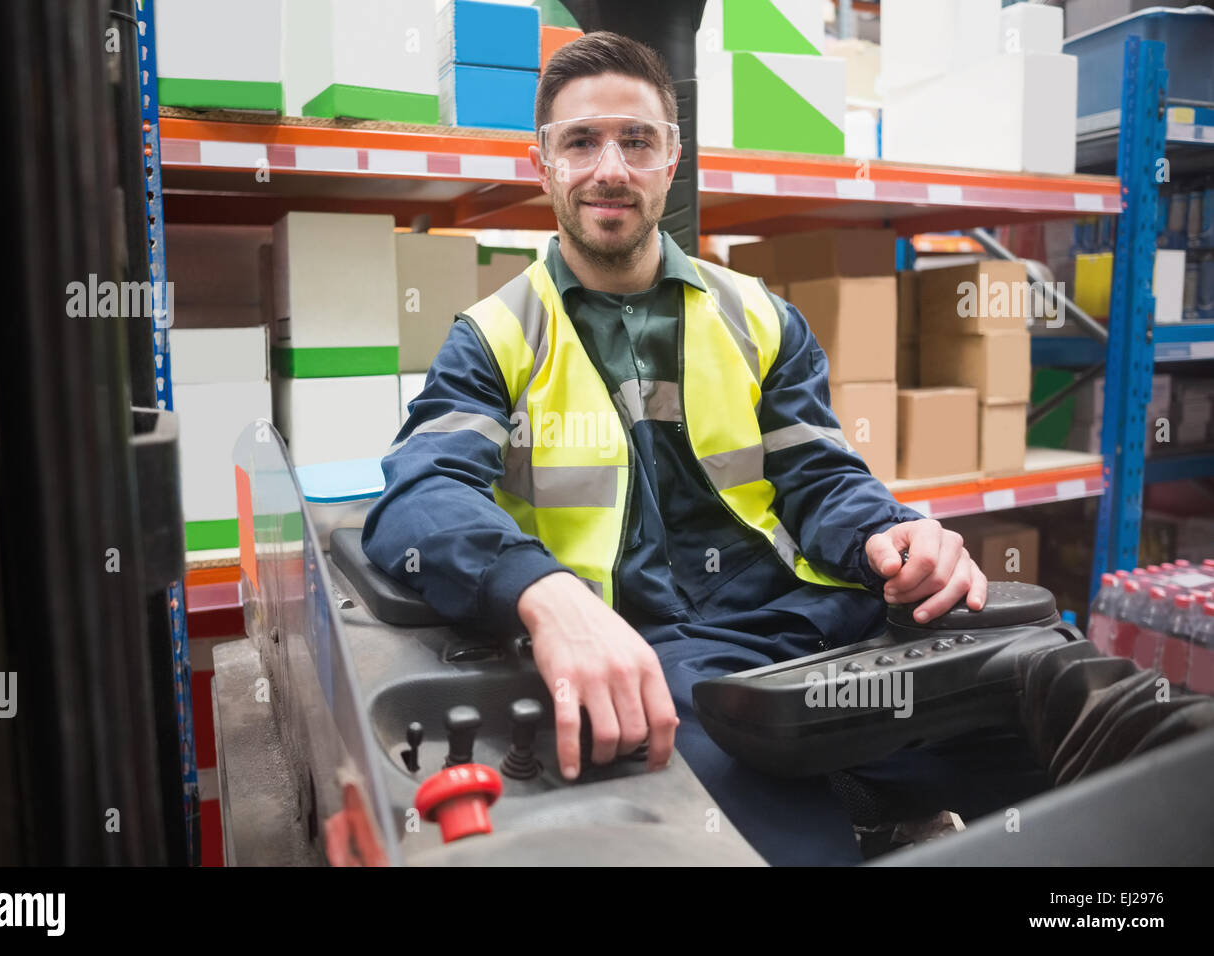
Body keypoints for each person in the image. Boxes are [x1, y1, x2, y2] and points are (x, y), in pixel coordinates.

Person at [362, 30, 1049, 864]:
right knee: (763, 842)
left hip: (814, 618)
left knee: (1043, 711)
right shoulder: (495, 337)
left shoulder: (758, 314)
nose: (610, 168)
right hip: (650, 654)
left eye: (637, 140)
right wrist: (544, 594)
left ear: (672, 159)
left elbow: (820, 474)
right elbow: (419, 495)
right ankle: (858, 809)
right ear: (542, 161)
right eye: (581, 141)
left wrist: (887, 534)